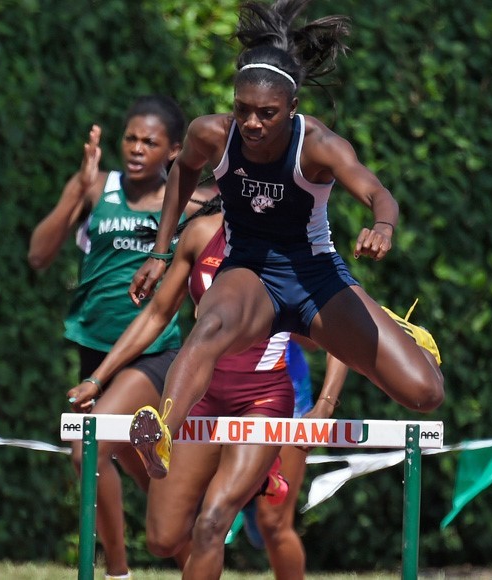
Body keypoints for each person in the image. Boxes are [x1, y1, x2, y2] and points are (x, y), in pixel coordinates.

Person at [127, 0, 445, 491]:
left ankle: (396, 327)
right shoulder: (212, 134)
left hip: (315, 277)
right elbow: (183, 172)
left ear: (293, 110)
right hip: (249, 273)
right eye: (243, 110)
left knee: (424, 395)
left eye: (267, 114)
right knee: (209, 324)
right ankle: (162, 431)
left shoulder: (318, 144)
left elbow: (377, 192)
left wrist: (381, 228)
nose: (252, 125)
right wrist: (160, 251)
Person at [68, 195, 327, 577]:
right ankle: (254, 481)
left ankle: (261, 475)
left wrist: (326, 403)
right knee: (162, 538)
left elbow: (337, 336)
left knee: (237, 525)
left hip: (265, 396)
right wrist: (98, 377)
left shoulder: (297, 241)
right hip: (201, 396)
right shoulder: (201, 234)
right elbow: (157, 313)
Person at [28, 95, 208, 579]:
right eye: (130, 137)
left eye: (150, 142)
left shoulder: (188, 202)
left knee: (88, 448)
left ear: (174, 151)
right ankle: (201, 558)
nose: (136, 148)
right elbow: (39, 256)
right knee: (149, 486)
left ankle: (116, 571)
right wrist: (75, 192)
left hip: (151, 354)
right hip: (93, 350)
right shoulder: (97, 187)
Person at [243, 336, 348, 579]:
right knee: (191, 520)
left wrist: (278, 316)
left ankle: (250, 497)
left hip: (287, 397)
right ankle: (246, 497)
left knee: (272, 522)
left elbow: (315, 340)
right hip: (224, 394)